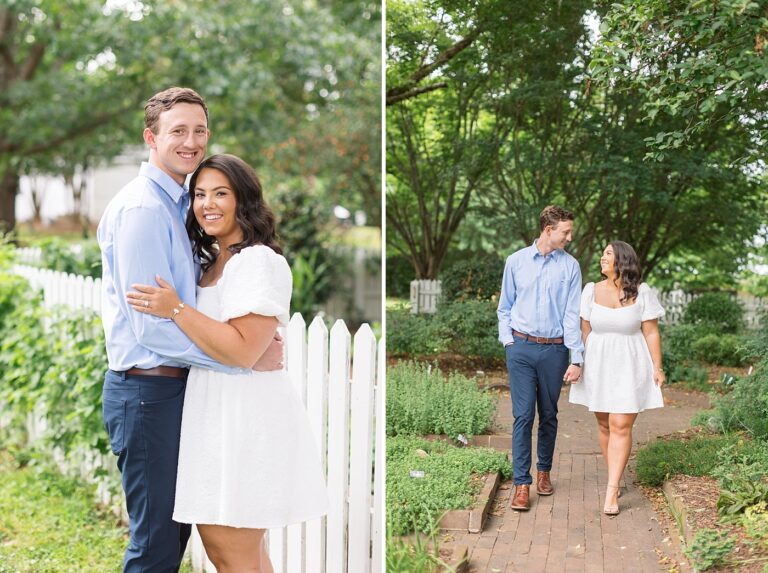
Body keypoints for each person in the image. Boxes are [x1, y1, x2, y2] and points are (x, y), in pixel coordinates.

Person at [97, 87, 283, 573]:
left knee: (175, 538)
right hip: (147, 393)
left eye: (199, 130)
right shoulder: (144, 210)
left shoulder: (178, 206)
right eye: (178, 130)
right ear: (150, 138)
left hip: (175, 395)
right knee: (157, 545)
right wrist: (239, 359)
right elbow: (149, 332)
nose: (191, 141)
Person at [126, 154, 328, 572]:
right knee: (232, 553)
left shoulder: (257, 261)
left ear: (245, 201)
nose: (208, 204)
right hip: (213, 413)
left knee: (231, 552)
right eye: (199, 194)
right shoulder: (210, 262)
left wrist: (176, 309)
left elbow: (242, 351)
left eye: (221, 193)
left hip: (245, 416)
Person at [496, 205, 584, 512]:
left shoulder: (570, 267)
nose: (569, 237)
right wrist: (508, 341)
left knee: (548, 414)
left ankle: (544, 470)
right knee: (523, 416)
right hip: (520, 348)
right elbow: (504, 306)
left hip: (555, 351)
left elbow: (573, 314)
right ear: (549, 230)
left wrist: (576, 358)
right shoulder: (516, 262)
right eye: (565, 231)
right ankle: (522, 483)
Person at [568, 241, 665, 515]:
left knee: (620, 423)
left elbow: (651, 333)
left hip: (630, 362)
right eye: (603, 253)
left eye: (608, 254)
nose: (602, 258)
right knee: (604, 424)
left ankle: (611, 491)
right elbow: (584, 332)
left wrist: (658, 367)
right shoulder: (591, 290)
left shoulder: (642, 292)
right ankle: (615, 474)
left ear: (622, 260)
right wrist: (580, 364)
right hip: (598, 363)